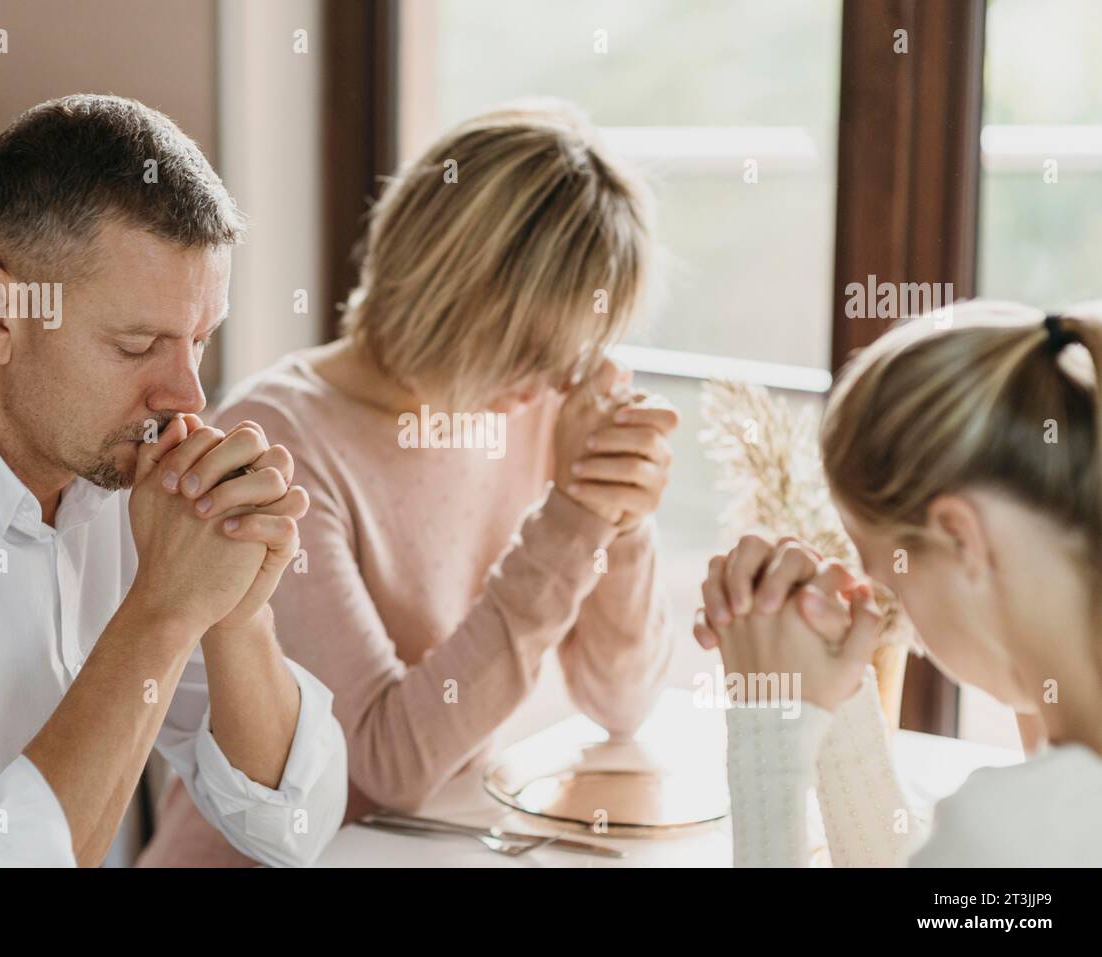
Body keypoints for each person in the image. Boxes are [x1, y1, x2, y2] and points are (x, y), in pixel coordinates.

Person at [0, 94, 347, 867]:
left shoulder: (134, 475)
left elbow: (291, 827)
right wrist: (161, 612)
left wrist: (236, 608)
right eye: (136, 345)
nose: (187, 395)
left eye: (199, 340)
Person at [140, 101, 679, 865]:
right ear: (446, 289)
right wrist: (571, 518)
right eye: (531, 348)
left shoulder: (532, 395)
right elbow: (383, 766)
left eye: (573, 350)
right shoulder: (278, 437)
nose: (553, 381)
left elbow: (620, 702)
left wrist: (618, 516)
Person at [695, 301, 1102, 866]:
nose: (894, 615)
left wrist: (769, 734)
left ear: (962, 539)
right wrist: (836, 711)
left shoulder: (1017, 828)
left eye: (892, 581)